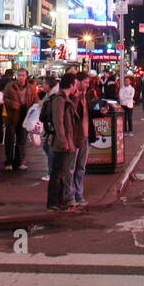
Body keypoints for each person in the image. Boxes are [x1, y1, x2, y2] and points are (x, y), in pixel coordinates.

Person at [45, 73, 79, 211]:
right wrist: (63, 141)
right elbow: (58, 123)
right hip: (61, 143)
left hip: (66, 141)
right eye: (75, 84)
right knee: (57, 173)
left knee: (62, 172)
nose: (76, 87)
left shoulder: (66, 99)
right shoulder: (59, 99)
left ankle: (59, 202)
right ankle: (53, 203)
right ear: (70, 85)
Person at [3, 67, 38, 173]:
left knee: (21, 140)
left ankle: (20, 162)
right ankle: (9, 162)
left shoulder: (31, 88)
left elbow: (35, 99)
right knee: (10, 140)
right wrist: (13, 104)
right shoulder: (10, 86)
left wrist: (35, 106)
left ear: (26, 76)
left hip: (25, 116)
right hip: (12, 116)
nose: (21, 77)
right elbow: (4, 98)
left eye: (23, 75)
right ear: (16, 76)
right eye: (19, 75)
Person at [69, 73, 91, 208]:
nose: (88, 85)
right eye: (86, 82)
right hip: (76, 136)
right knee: (72, 168)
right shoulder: (73, 97)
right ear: (78, 82)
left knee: (81, 168)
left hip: (85, 135)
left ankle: (79, 195)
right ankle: (71, 196)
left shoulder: (86, 96)